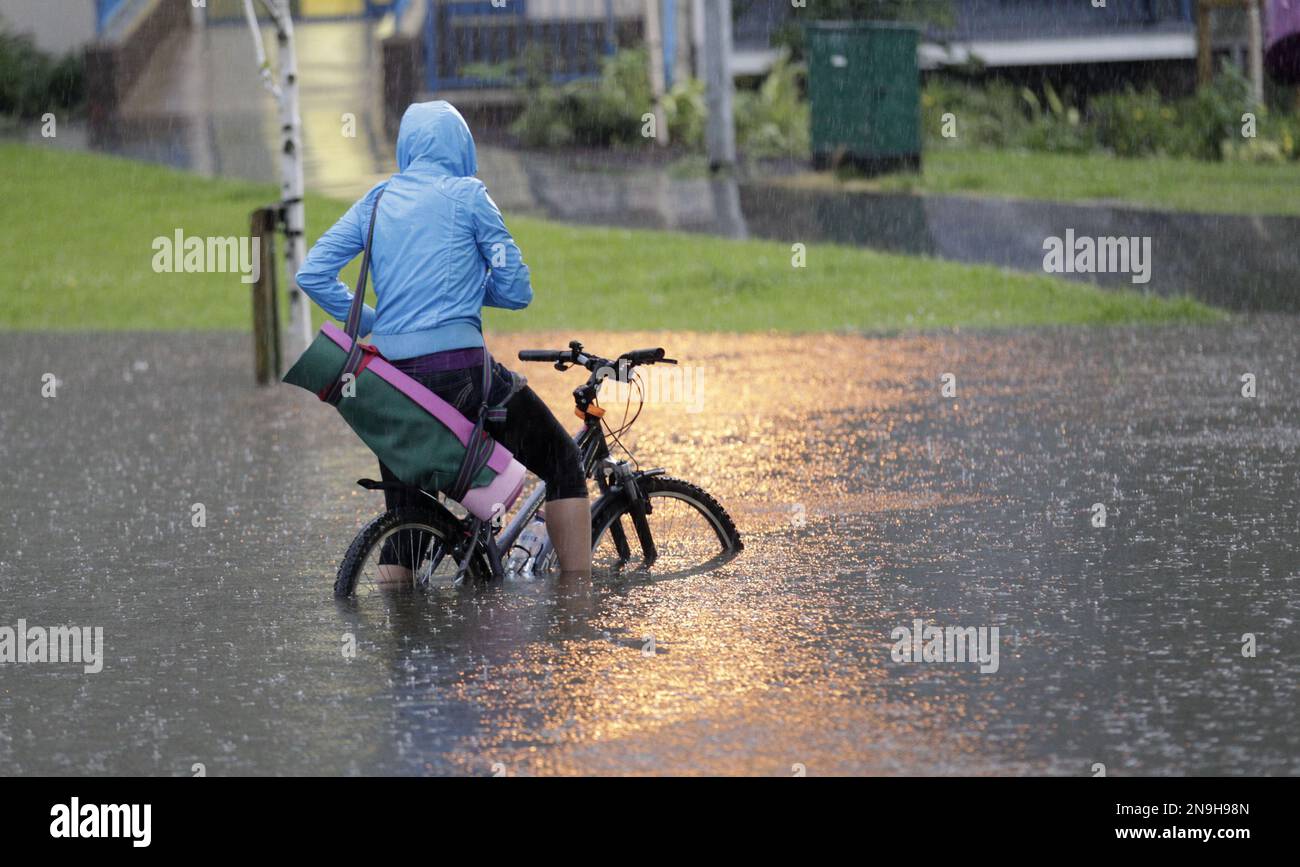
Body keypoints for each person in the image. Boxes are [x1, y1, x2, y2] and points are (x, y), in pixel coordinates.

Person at [296, 100, 591, 581]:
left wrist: (373, 319)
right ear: (463, 146)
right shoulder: (470, 195)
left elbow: (313, 273)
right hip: (462, 374)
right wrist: (467, 292)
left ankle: (398, 636)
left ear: (406, 148)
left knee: (405, 514)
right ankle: (579, 604)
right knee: (561, 460)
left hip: (391, 384)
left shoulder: (376, 201)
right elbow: (517, 290)